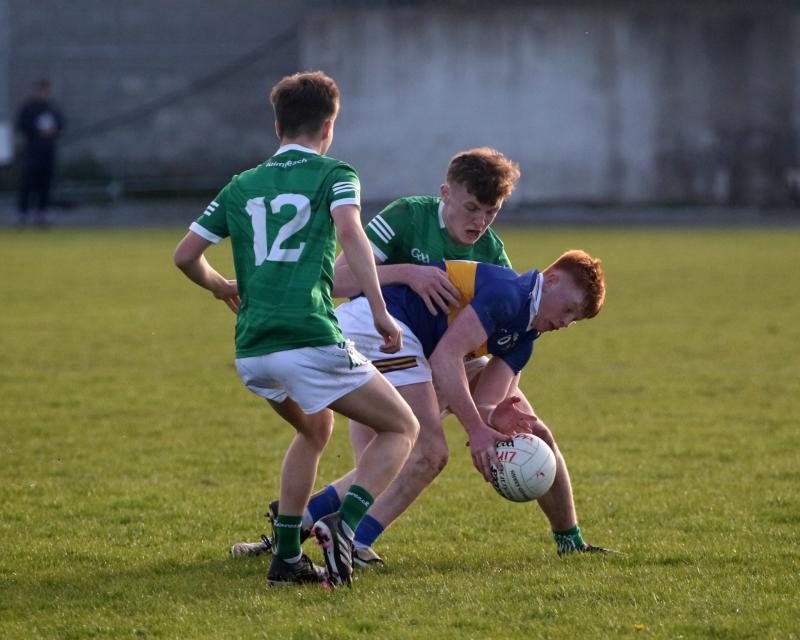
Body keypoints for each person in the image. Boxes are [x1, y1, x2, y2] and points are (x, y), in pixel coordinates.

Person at [232, 150, 607, 562]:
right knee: (412, 453)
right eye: (471, 208)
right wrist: (409, 272)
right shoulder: (409, 216)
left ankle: (570, 540)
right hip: (380, 334)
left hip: (429, 352)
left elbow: (501, 337)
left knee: (531, 433)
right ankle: (332, 537)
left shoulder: (497, 261)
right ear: (445, 194)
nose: (480, 222)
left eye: (492, 212)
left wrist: (496, 417)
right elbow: (335, 280)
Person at [173, 71, 419, 588]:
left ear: (277, 124)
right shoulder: (335, 172)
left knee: (314, 429)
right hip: (307, 337)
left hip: (253, 348)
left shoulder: (242, 183)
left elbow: (186, 256)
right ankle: (344, 523)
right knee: (403, 428)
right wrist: (377, 308)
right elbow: (351, 231)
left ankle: (286, 557)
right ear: (329, 127)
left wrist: (221, 286)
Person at [15, 79, 64, 227]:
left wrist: (53, 131)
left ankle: (41, 215)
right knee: (28, 184)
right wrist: (38, 130)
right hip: (32, 152)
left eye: (46, 90)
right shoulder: (28, 108)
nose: (43, 93)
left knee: (45, 184)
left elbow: (60, 125)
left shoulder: (51, 108)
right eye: (41, 90)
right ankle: (23, 215)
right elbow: (21, 125)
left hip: (48, 152)